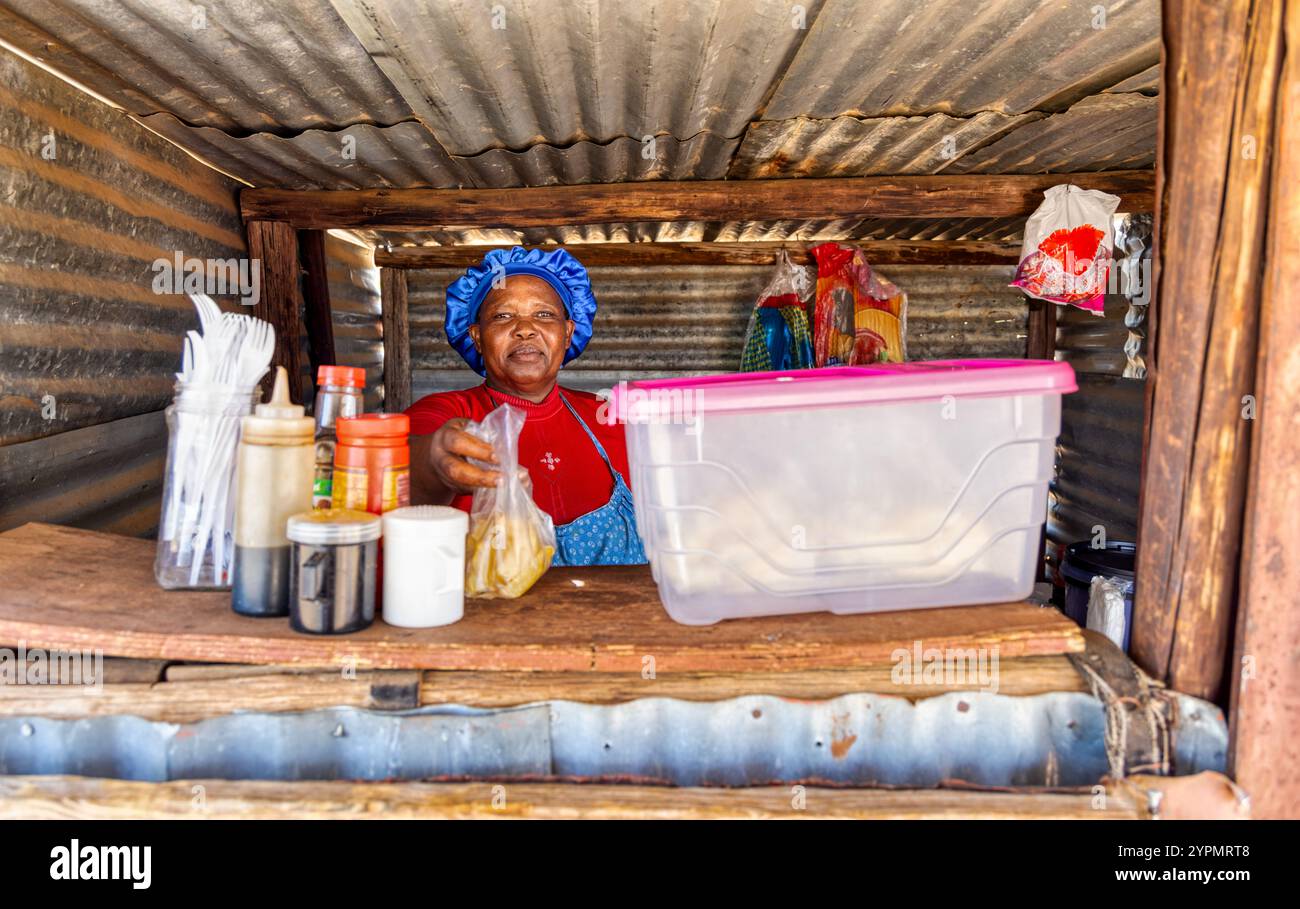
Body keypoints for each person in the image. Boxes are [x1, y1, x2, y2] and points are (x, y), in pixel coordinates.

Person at [406, 246, 648, 566]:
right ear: (477, 337)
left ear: (567, 333)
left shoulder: (612, 418)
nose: (525, 328)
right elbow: (400, 458)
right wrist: (433, 461)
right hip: (490, 617)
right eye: (503, 315)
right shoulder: (445, 412)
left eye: (544, 314)